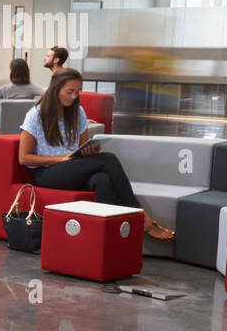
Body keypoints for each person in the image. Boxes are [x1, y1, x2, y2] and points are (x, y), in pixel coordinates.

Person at [18, 68, 174, 242]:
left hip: (70, 169)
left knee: (102, 180)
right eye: (69, 91)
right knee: (108, 159)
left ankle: (109, 239)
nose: (73, 97)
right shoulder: (35, 115)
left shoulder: (78, 113)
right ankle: (140, 214)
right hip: (47, 173)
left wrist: (87, 152)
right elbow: (24, 158)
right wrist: (60, 159)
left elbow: (81, 148)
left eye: (77, 92)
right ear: (55, 88)